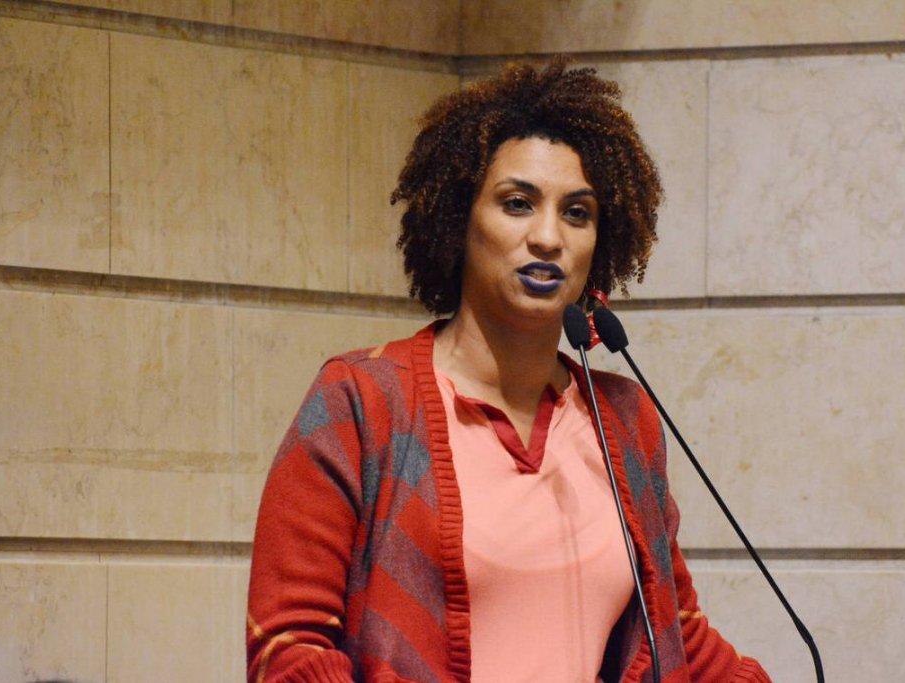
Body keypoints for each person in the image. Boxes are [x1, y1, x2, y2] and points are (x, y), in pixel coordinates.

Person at [247, 57, 770, 683]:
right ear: (458, 219)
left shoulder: (626, 420)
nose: (548, 237)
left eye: (577, 213)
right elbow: (290, 646)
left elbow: (676, 636)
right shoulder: (360, 403)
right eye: (518, 204)